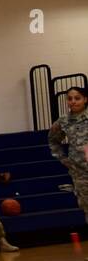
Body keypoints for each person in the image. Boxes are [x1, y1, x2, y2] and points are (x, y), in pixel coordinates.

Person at [48, 85, 88, 239]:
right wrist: (63, 159)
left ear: (85, 99)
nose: (73, 101)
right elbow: (53, 140)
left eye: (77, 98)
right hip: (80, 173)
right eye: (70, 99)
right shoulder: (64, 121)